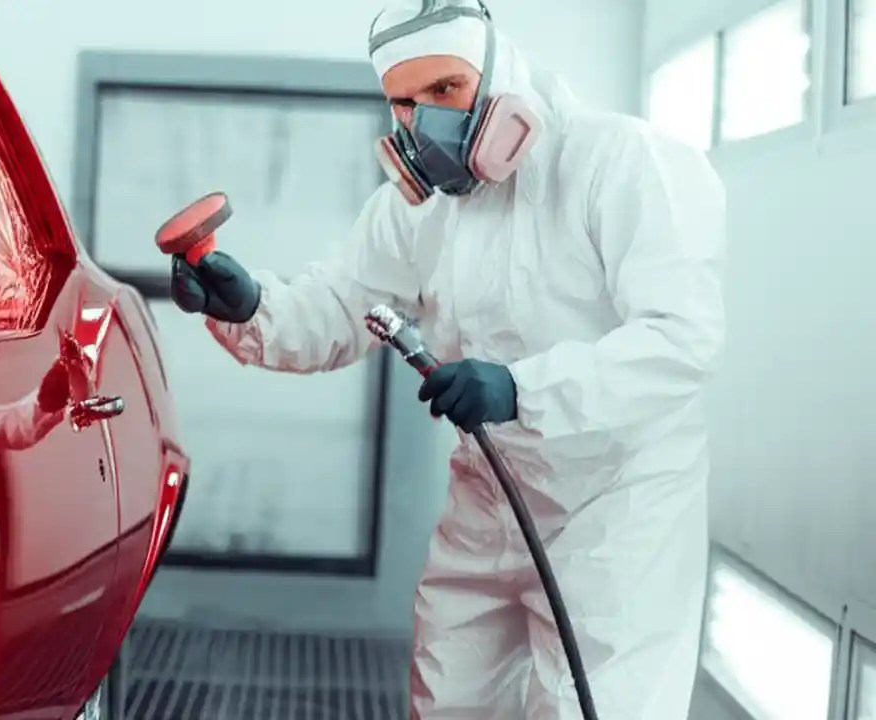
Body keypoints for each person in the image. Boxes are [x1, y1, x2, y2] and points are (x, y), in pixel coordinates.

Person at [169, 0, 727, 718]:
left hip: (618, 507)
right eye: (403, 101)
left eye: (444, 91)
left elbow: (682, 339)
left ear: (500, 76)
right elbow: (340, 308)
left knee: (592, 707)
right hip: (491, 496)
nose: (421, 120)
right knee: (447, 700)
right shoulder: (416, 211)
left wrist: (520, 391)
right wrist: (250, 307)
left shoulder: (618, 163)